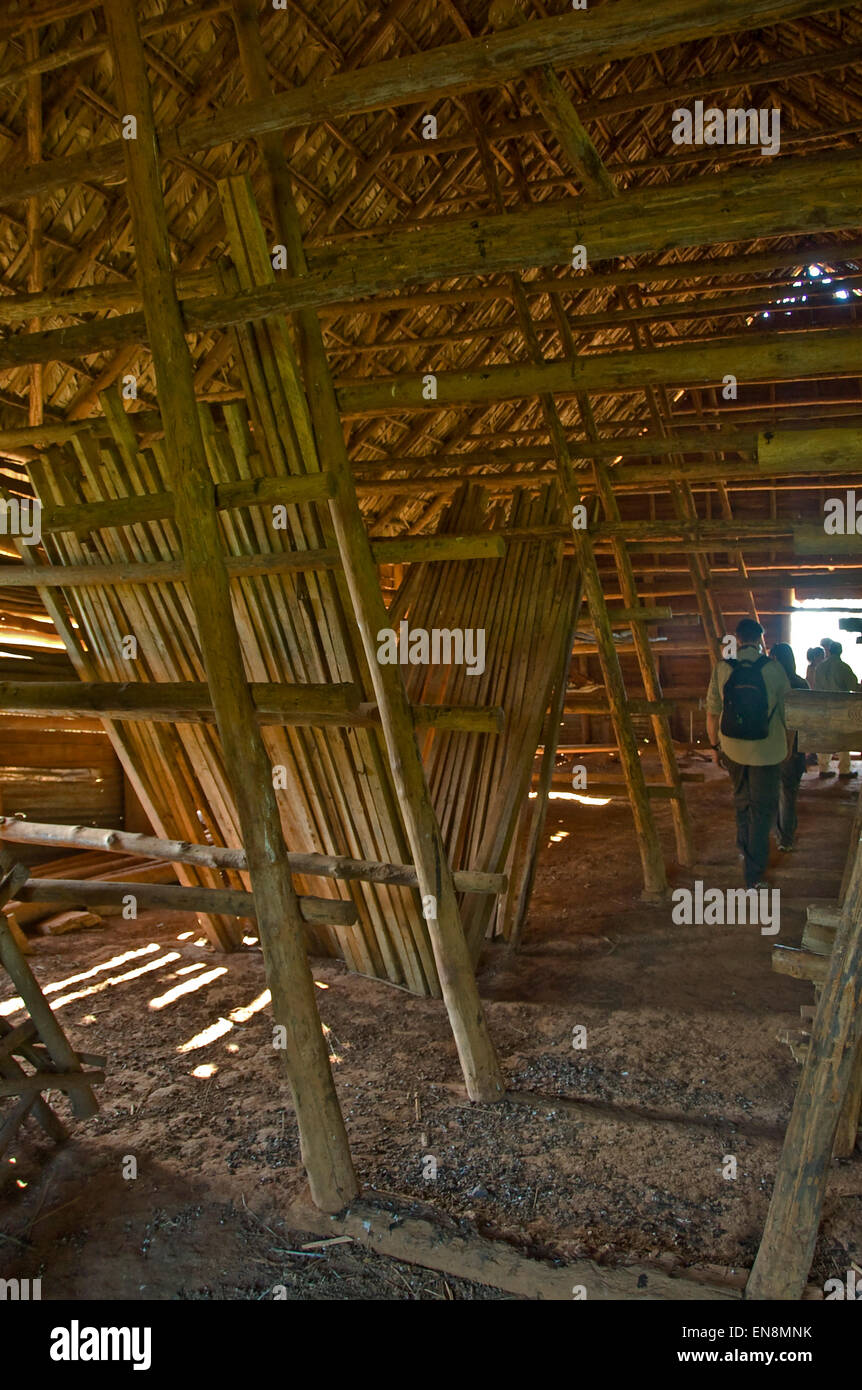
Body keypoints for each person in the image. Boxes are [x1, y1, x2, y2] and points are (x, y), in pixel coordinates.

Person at [706, 618, 791, 889]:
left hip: (731, 747)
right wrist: (787, 746)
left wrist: (714, 747)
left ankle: (744, 849)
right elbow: (789, 715)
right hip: (767, 750)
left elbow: (712, 712)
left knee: (742, 800)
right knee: (762, 810)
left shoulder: (722, 668)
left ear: (738, 639)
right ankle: (754, 876)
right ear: (760, 639)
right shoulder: (774, 669)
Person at [770, 643, 808, 851]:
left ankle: (782, 834)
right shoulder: (801, 683)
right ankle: (786, 835)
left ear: (775, 658)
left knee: (777, 791)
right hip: (797, 747)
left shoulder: (771, 683)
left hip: (775, 744)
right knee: (790, 792)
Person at [814, 639, 859, 777]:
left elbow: (816, 687)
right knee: (842, 738)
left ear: (829, 650)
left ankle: (823, 768)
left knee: (824, 738)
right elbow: (853, 686)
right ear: (840, 651)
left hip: (823, 707)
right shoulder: (843, 667)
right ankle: (844, 770)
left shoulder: (820, 667)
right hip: (840, 708)